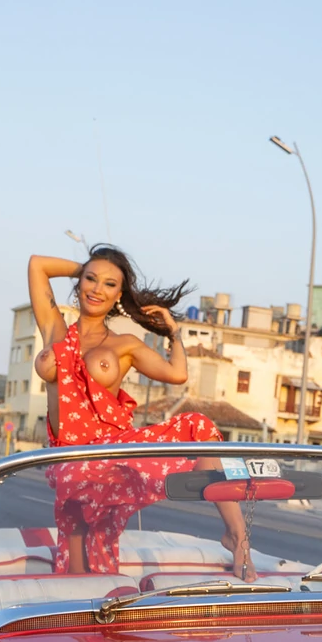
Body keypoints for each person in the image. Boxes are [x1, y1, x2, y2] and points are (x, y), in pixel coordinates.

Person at [28, 245, 255, 580]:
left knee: (199, 427)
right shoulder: (55, 330)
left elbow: (177, 374)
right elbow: (37, 265)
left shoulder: (125, 345)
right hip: (68, 458)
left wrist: (173, 331)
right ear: (78, 284)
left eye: (109, 284)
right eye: (91, 280)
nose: (97, 289)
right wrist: (86, 269)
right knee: (80, 572)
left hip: (109, 451)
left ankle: (238, 536)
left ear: (120, 294)